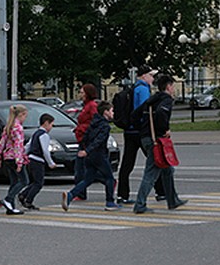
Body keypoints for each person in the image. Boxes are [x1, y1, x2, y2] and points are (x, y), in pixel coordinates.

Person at [132, 74, 188, 214]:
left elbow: (135, 114)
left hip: (146, 138)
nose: (173, 89)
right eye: (173, 86)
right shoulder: (166, 100)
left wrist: (143, 129)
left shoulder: (151, 100)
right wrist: (164, 130)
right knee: (151, 173)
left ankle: (172, 200)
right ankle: (140, 204)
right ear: (168, 87)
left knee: (168, 170)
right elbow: (161, 115)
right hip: (156, 140)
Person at [62, 101, 121, 211]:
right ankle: (110, 202)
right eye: (112, 111)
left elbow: (86, 137)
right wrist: (88, 150)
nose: (113, 113)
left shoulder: (94, 123)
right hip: (99, 155)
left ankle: (70, 195)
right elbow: (99, 141)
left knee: (87, 179)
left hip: (89, 156)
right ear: (106, 112)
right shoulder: (105, 126)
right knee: (109, 178)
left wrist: (84, 149)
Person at [117, 65, 164, 205]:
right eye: (151, 75)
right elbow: (145, 110)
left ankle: (122, 195)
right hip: (140, 132)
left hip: (129, 131)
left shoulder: (133, 89)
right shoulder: (143, 89)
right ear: (144, 76)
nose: (153, 78)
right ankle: (161, 192)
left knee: (127, 164)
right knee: (154, 160)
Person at [19, 112, 58, 211]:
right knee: (38, 183)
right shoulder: (44, 135)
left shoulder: (36, 133)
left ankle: (23, 195)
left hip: (31, 160)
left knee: (33, 181)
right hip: (38, 161)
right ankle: (28, 200)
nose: (51, 127)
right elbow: (45, 150)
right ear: (46, 123)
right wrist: (51, 163)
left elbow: (28, 146)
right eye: (51, 124)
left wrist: (22, 155)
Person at [0, 104, 29, 215]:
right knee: (24, 181)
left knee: (14, 182)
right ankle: (8, 199)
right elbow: (18, 146)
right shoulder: (18, 128)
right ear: (21, 115)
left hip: (7, 158)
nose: (25, 119)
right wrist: (20, 162)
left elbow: (2, 143)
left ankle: (11, 208)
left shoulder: (9, 126)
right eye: (25, 116)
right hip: (15, 158)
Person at [71, 84, 99, 201]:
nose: (80, 95)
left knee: (81, 167)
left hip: (86, 139)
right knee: (84, 167)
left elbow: (95, 121)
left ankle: (80, 193)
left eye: (82, 92)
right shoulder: (87, 105)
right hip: (83, 138)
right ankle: (81, 192)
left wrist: (83, 129)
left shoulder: (91, 106)